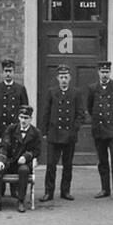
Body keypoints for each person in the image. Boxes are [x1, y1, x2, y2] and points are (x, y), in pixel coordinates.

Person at [40, 64, 85, 202]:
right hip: (54, 134)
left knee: (67, 165)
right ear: (57, 78)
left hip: (69, 135)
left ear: (70, 78)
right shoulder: (51, 92)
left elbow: (81, 114)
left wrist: (74, 129)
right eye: (61, 77)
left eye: (66, 77)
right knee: (51, 165)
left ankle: (65, 191)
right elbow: (46, 112)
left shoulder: (76, 93)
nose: (64, 80)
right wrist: (44, 131)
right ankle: (49, 192)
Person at [86, 60, 113, 201]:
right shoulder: (92, 88)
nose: (104, 74)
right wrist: (99, 120)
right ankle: (105, 189)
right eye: (102, 72)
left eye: (107, 72)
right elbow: (90, 108)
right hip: (99, 130)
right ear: (98, 72)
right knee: (102, 161)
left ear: (110, 72)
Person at [0, 105, 40, 213]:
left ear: (30, 119)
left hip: (23, 163)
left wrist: (26, 156)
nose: (23, 120)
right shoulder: (11, 129)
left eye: (26, 118)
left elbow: (37, 150)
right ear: (18, 117)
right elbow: (4, 146)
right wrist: (1, 161)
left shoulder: (35, 132)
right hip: (10, 161)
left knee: (24, 170)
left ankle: (21, 200)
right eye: (22, 117)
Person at [0, 59, 29, 141]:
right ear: (3, 72)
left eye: (10, 71)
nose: (8, 74)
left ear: (14, 72)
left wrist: (21, 123)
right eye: (6, 71)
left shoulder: (20, 89)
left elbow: (25, 109)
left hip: (16, 128)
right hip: (0, 128)